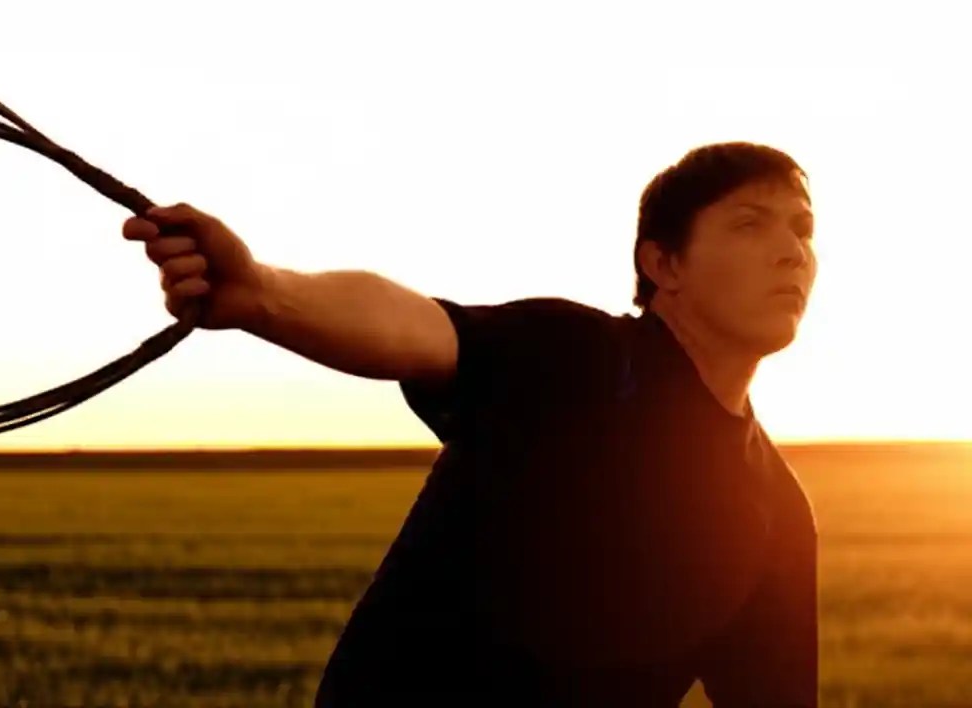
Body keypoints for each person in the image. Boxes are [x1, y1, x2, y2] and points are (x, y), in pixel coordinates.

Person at [122, 141, 820, 706]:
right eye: (750, 223)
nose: (792, 249)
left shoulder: (778, 510)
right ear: (663, 263)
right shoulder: (580, 358)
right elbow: (415, 327)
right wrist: (265, 294)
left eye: (802, 228)